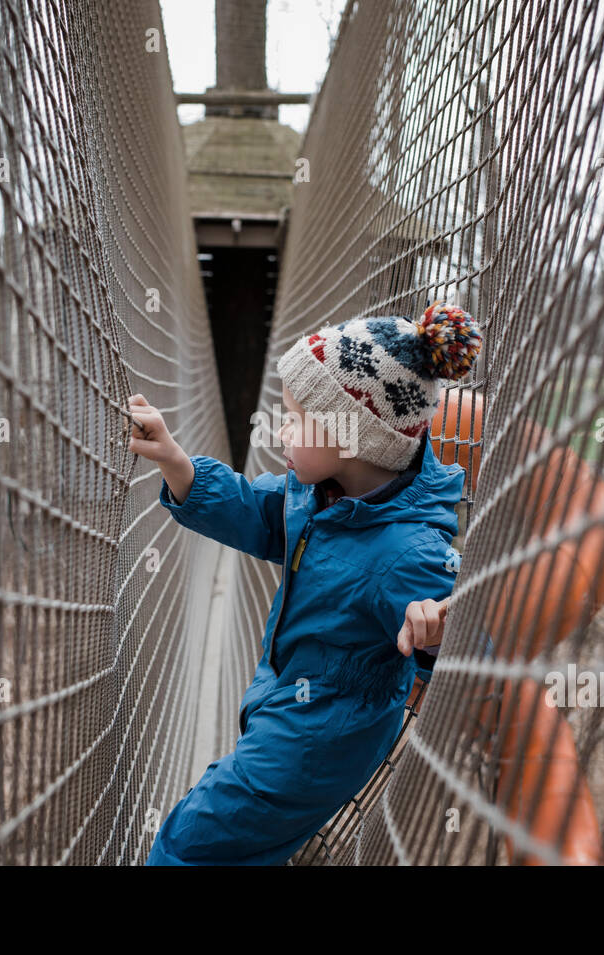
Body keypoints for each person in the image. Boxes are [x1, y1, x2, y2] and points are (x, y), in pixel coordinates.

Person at [129, 301, 483, 865]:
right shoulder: (320, 493)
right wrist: (176, 463)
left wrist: (440, 628)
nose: (279, 429)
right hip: (286, 701)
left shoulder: (406, 551)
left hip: (320, 739)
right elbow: (256, 511)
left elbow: (473, 642)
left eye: (294, 418)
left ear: (350, 436)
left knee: (189, 844)